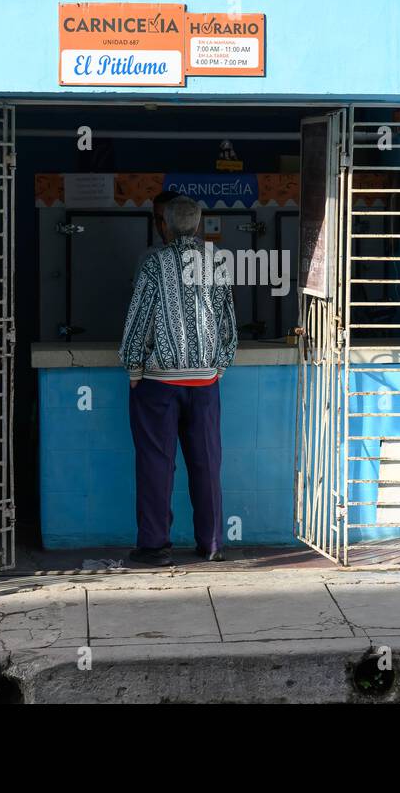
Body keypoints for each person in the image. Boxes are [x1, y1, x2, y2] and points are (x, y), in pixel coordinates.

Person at [118, 194, 237, 566]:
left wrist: (133, 367)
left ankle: (155, 547)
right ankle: (213, 542)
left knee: (156, 463)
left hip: (160, 382)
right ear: (199, 226)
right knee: (206, 462)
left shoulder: (155, 262)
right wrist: (218, 367)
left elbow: (138, 319)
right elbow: (227, 322)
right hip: (205, 383)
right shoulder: (217, 261)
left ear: (165, 225)